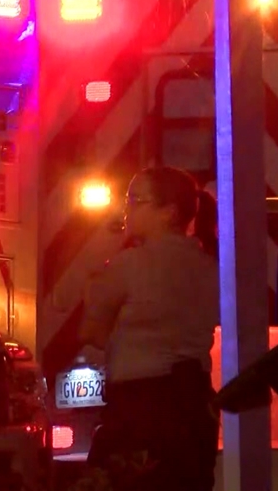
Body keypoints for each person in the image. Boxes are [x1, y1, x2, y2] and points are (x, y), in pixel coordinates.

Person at [77, 166, 221, 491]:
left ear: (168, 213)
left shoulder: (129, 265)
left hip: (138, 410)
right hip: (195, 408)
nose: (126, 206)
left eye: (136, 199)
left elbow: (89, 330)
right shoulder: (210, 269)